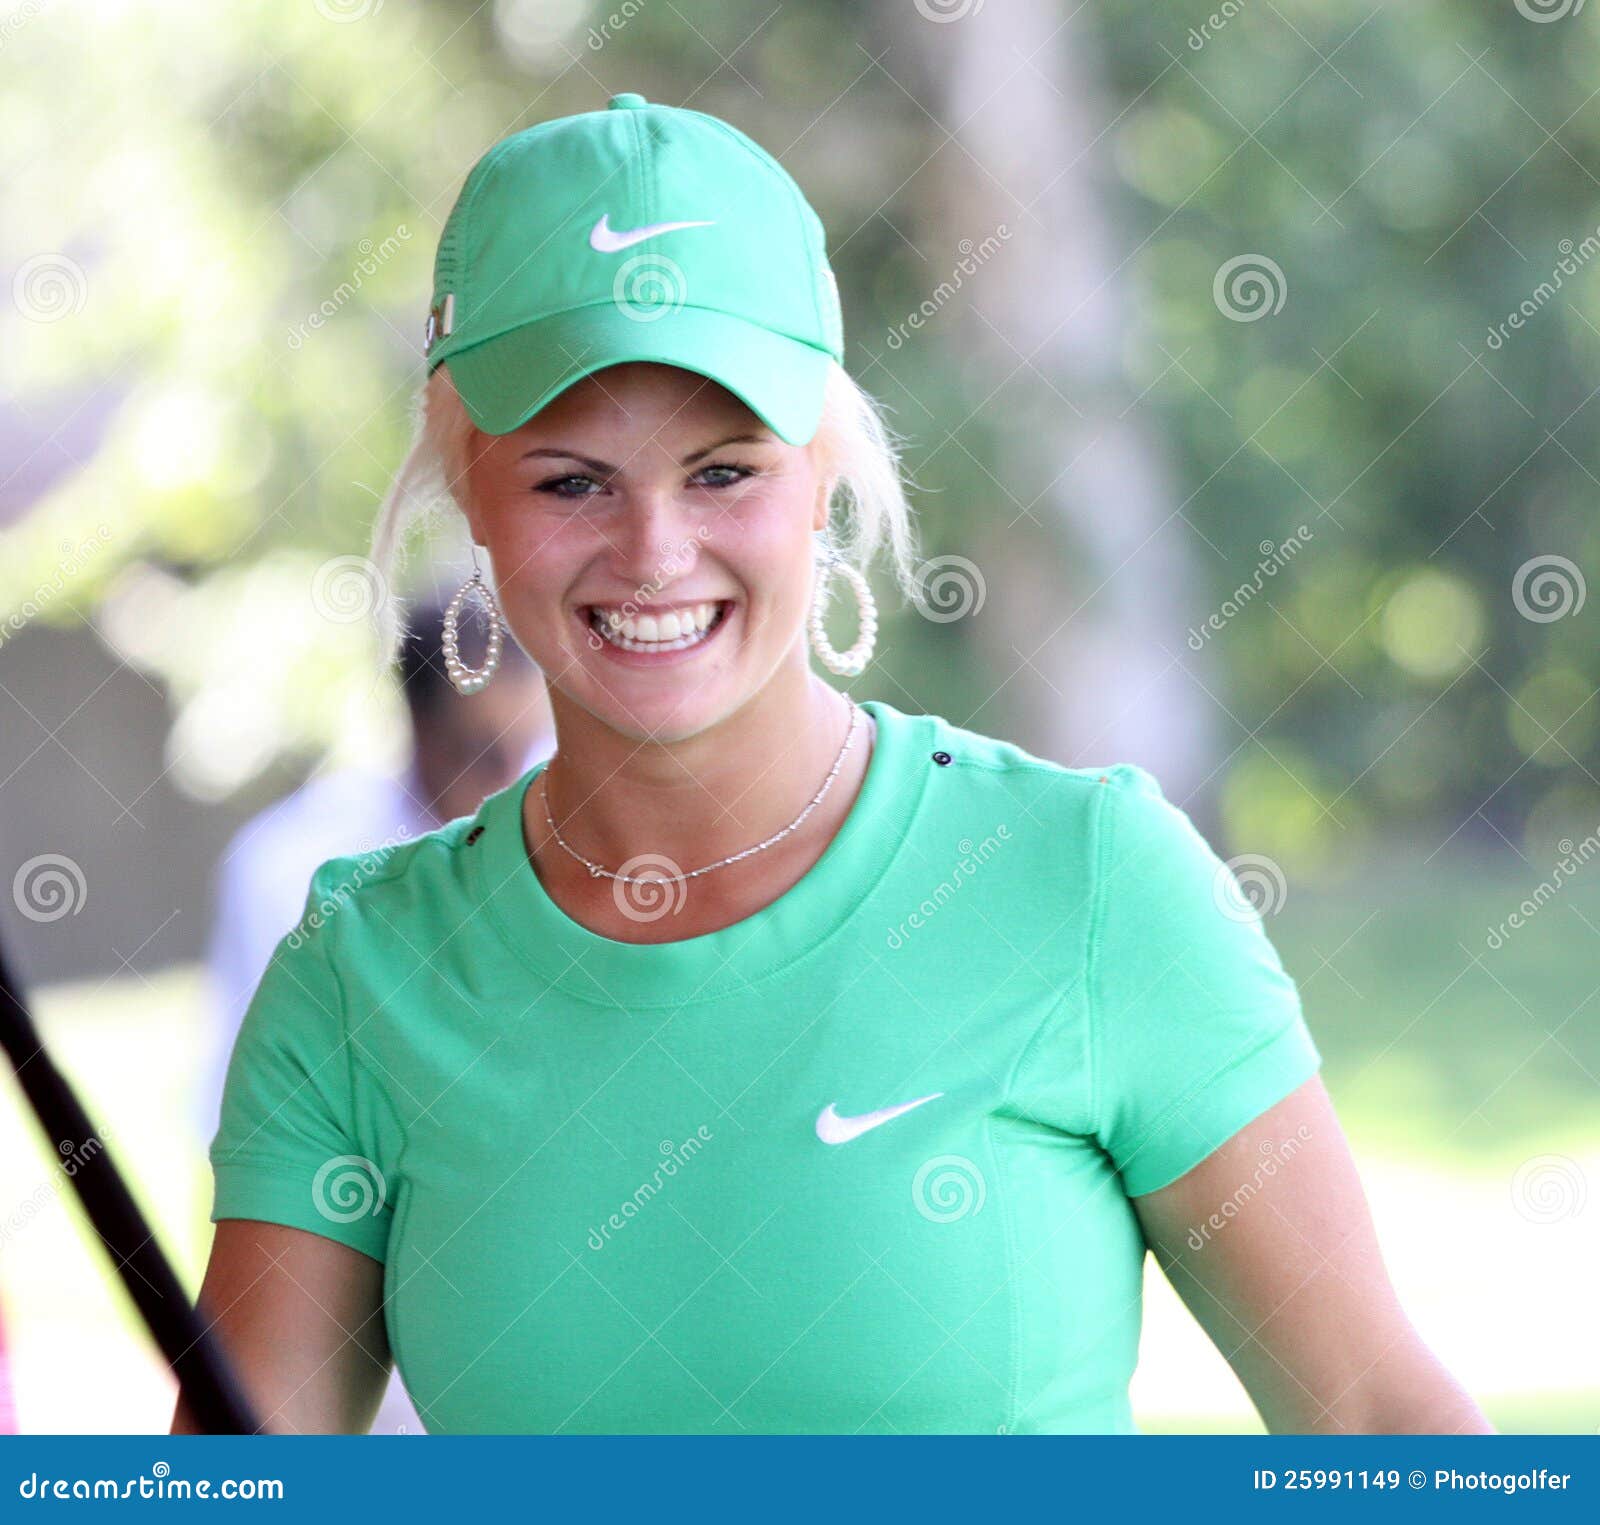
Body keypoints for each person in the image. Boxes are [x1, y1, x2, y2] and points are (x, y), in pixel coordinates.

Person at [176, 91, 1491, 1437]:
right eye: (571, 481)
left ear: (823, 472)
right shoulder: (358, 977)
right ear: (469, 494)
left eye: (724, 470)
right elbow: (240, 1483)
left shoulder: (1087, 882)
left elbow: (1380, 1423)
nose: (653, 551)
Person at [198, 596, 553, 1432]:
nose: (508, 778)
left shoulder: (588, 849)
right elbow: (245, 1139)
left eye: (526, 746)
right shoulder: (290, 870)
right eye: (479, 751)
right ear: (413, 724)